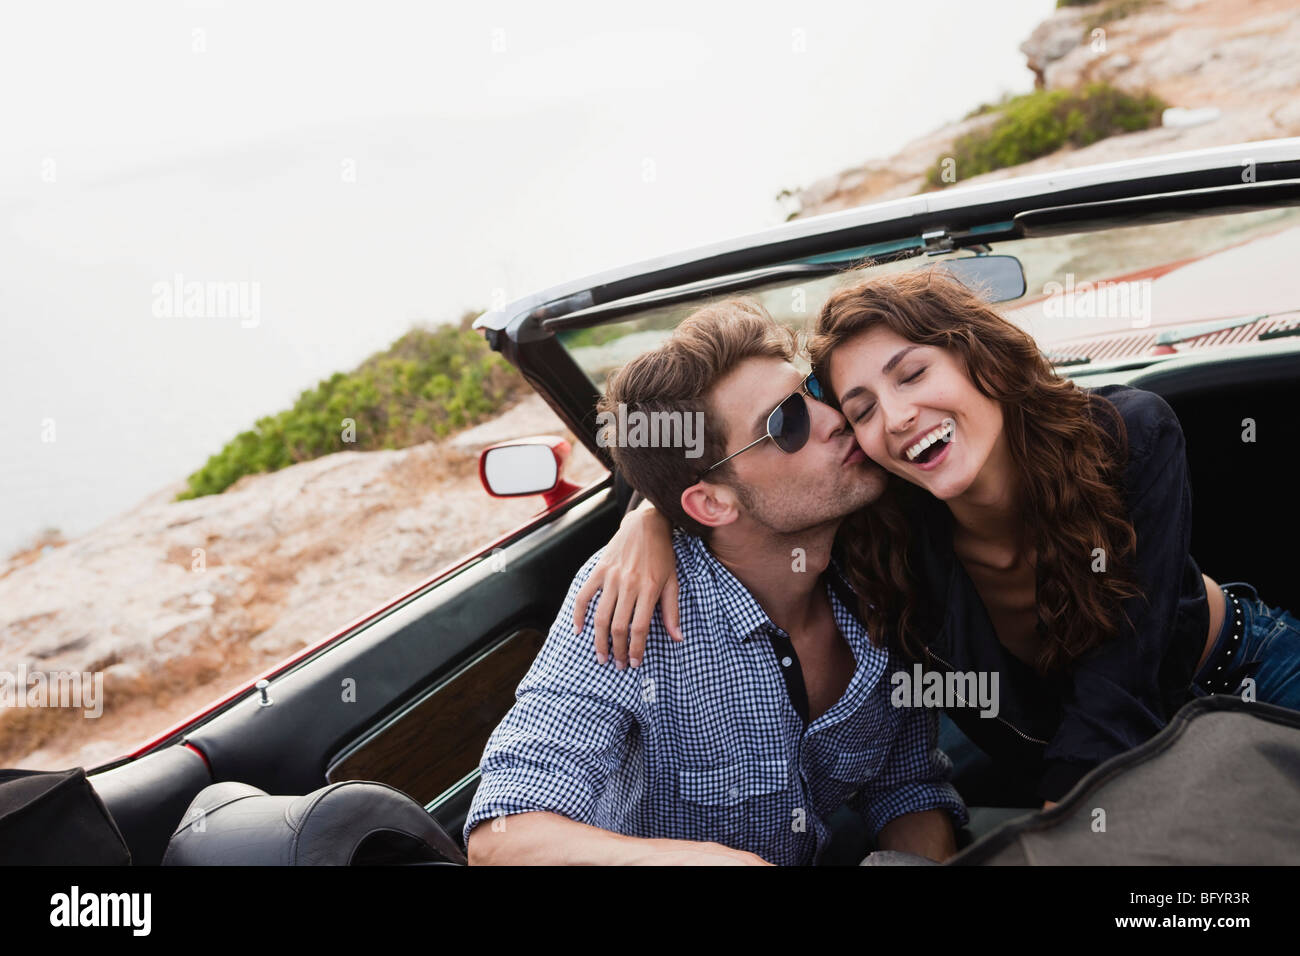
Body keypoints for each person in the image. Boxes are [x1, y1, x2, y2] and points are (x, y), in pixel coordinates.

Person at [578, 267, 1300, 810]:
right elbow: (742, 479)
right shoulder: (879, 515)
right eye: (859, 409)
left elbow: (1119, 693)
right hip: (1061, 755)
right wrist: (648, 515)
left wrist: (1060, 826)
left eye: (914, 373)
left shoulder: (1128, 437)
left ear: (977, 357)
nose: (894, 417)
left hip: (1242, 676)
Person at [464, 299, 968, 865]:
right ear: (711, 502)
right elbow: (501, 837)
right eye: (787, 423)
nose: (833, 421)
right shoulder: (633, 606)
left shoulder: (885, 562)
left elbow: (904, 786)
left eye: (816, 392)